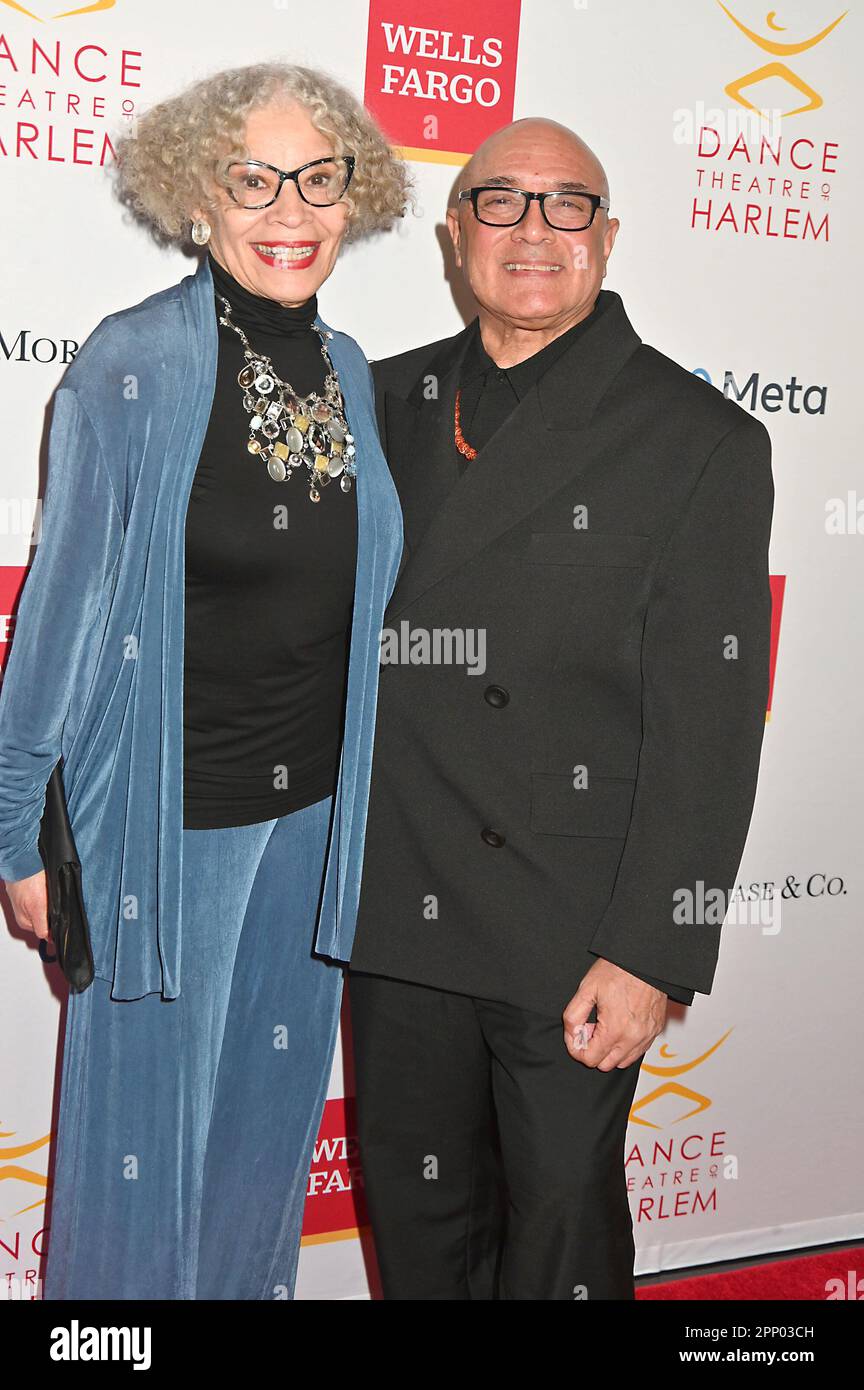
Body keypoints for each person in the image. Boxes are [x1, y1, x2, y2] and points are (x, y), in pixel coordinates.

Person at [347, 117, 774, 1300]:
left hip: (572, 931)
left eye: (567, 205)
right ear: (455, 231)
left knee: (557, 1243)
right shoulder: (380, 402)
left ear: (609, 237)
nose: (533, 230)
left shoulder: (699, 441)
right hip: (398, 906)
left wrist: (651, 951)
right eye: (501, 202)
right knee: (420, 1225)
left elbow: (713, 724)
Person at [0, 61, 407, 1300]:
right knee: (140, 1170)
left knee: (263, 1148)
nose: (291, 207)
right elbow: (57, 620)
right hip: (166, 837)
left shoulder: (350, 369)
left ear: (354, 199)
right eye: (255, 178)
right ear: (199, 200)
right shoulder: (133, 369)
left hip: (314, 828)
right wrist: (18, 832)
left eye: (319, 178)